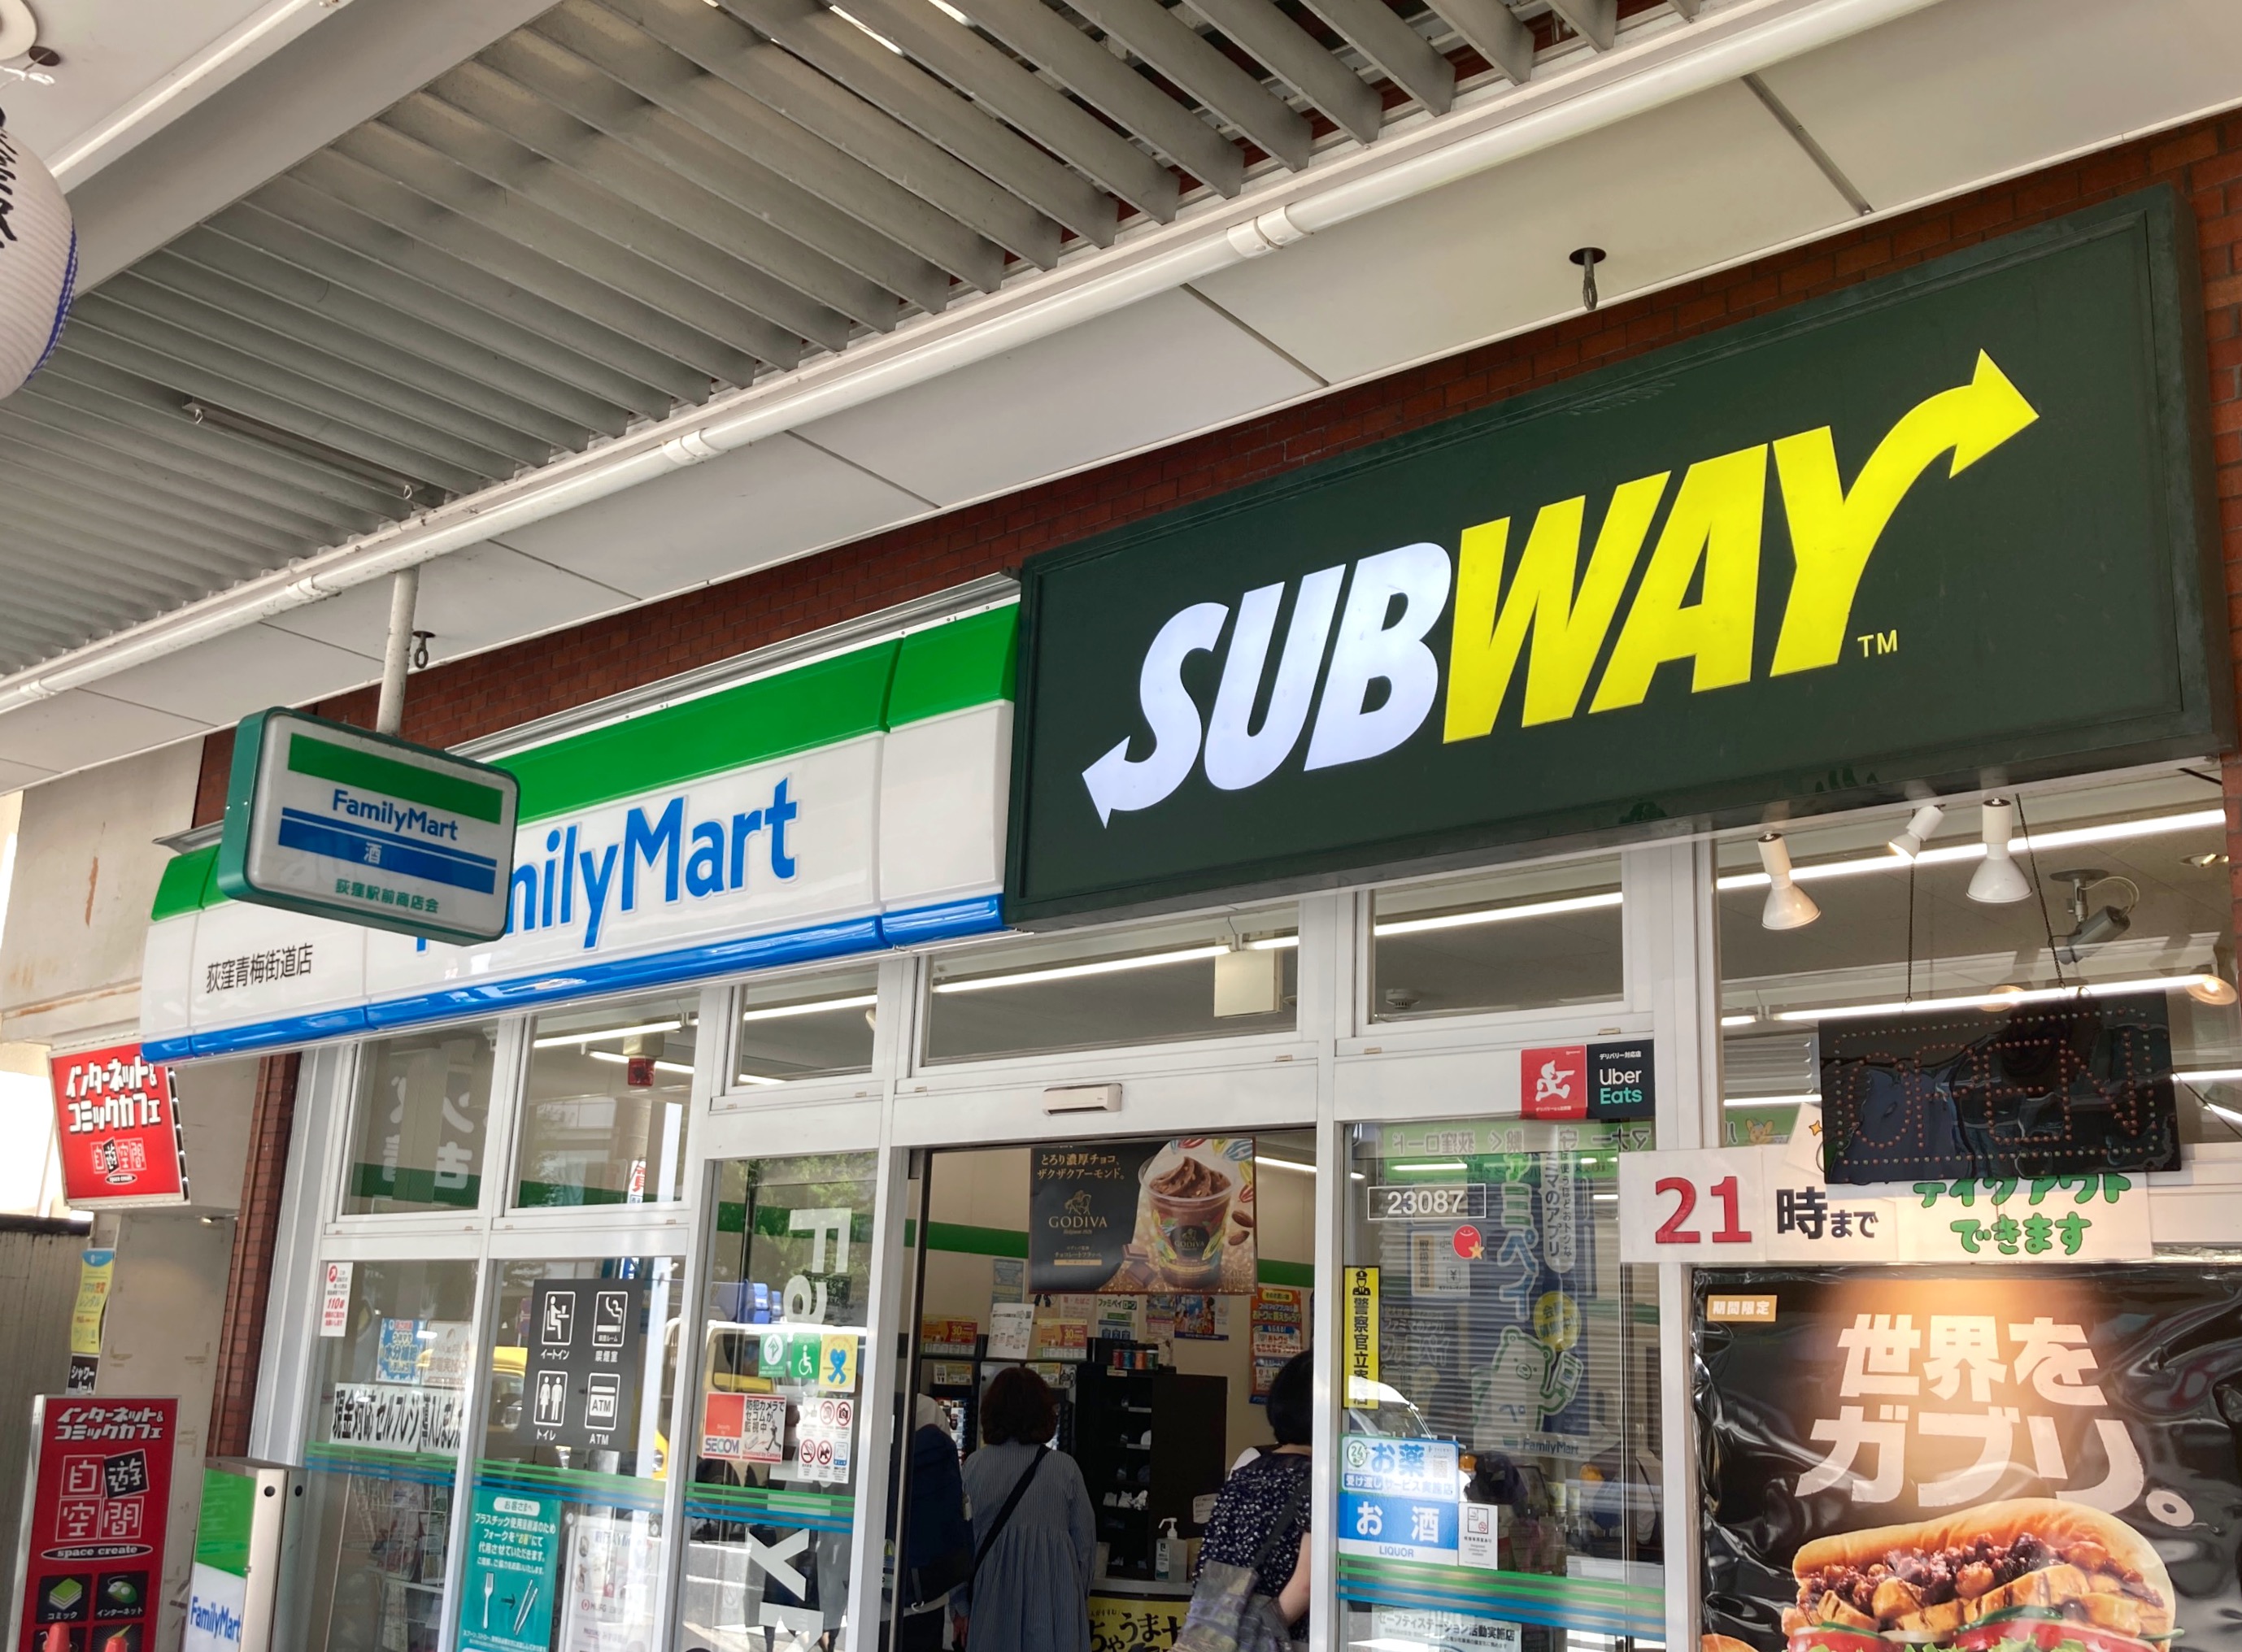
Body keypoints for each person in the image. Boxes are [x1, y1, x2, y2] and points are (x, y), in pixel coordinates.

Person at [956, 1366, 1095, 1652]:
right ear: (1044, 1413)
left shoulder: (973, 1467)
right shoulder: (1065, 1469)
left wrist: (961, 1606)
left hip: (991, 1607)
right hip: (1055, 1611)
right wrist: (1071, 1598)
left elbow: (960, 1545)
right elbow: (1085, 1549)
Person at [1194, 1350, 1315, 1638]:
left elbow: (1207, 1566)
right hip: (1281, 1638)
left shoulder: (1245, 1473)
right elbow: (1308, 1583)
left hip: (1218, 1635)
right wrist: (1259, 1635)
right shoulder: (1317, 1481)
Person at [898, 1394, 972, 1650]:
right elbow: (951, 1508)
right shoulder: (927, 1409)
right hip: (928, 1592)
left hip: (864, 1592)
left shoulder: (841, 1410)